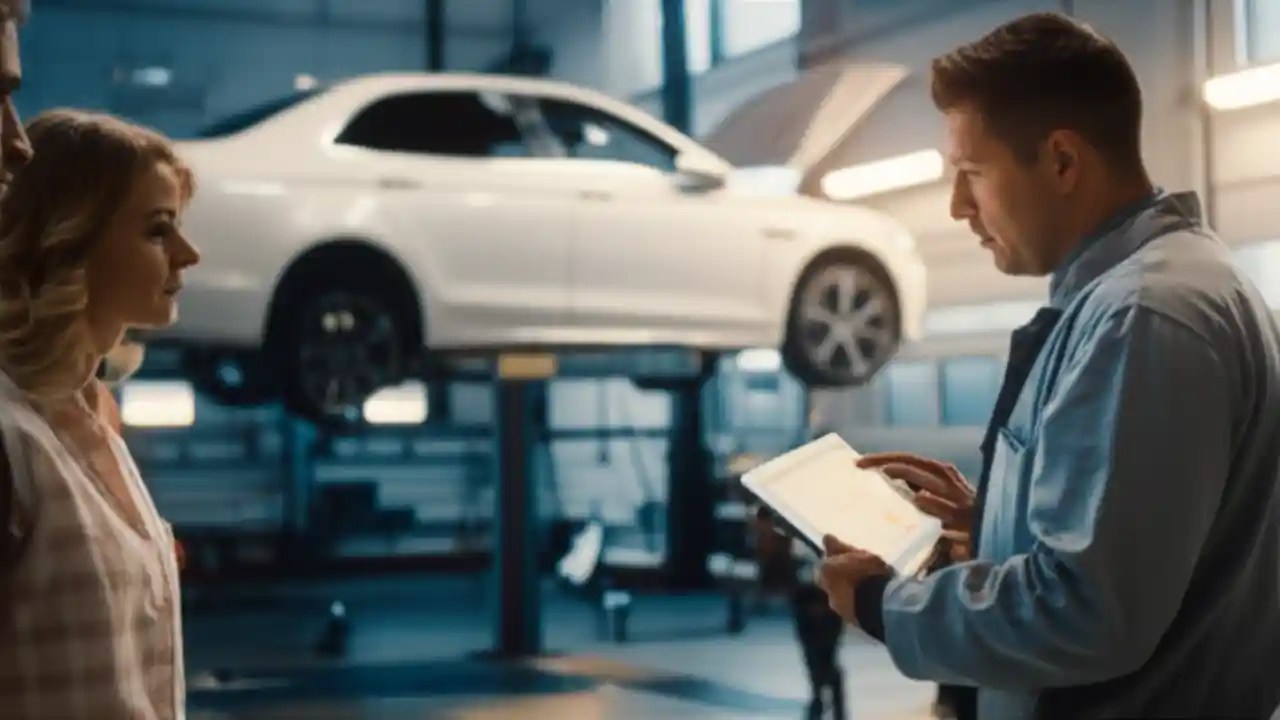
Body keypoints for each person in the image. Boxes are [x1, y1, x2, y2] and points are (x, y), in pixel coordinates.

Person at [815, 12, 1280, 720]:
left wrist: (884, 603)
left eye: (972, 172)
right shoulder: (1179, 285)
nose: (957, 206)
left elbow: (1087, 610)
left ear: (1062, 162)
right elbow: (1160, 543)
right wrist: (1002, 524)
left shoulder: (1142, 317)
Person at [0, 108, 201, 718]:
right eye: (157, 230)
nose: (188, 254)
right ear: (73, 239)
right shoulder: (12, 440)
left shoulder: (96, 423)